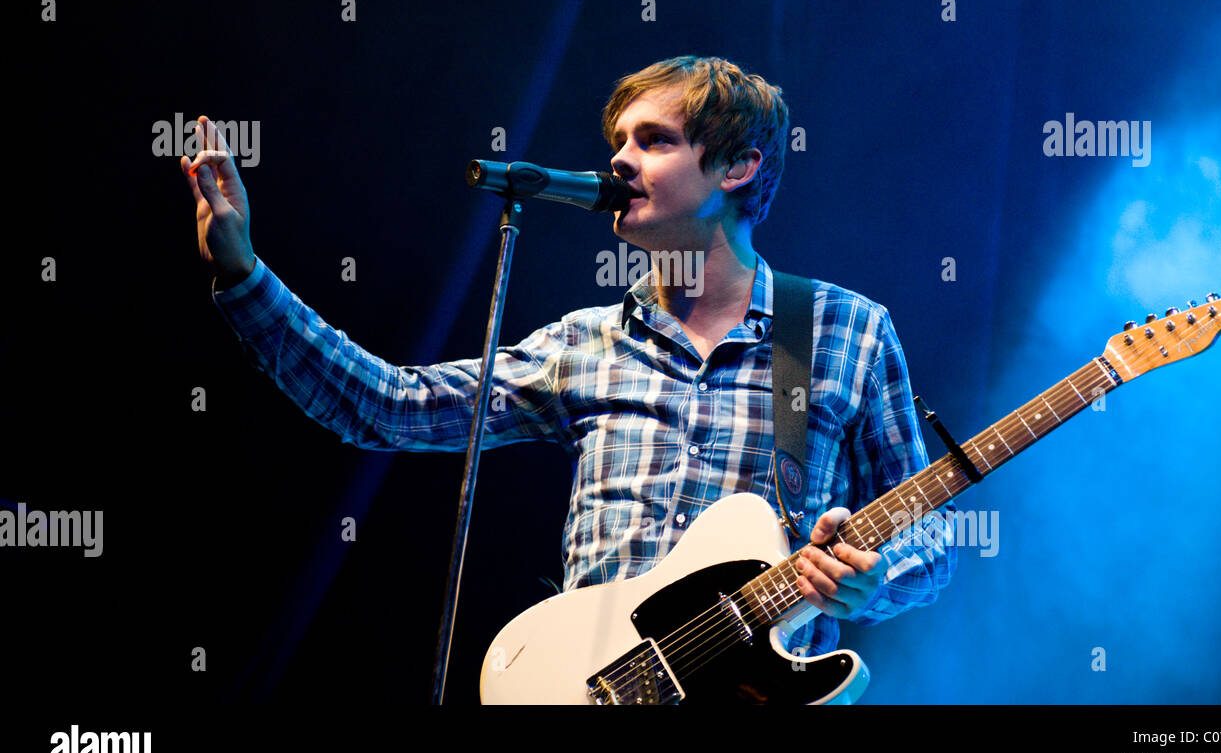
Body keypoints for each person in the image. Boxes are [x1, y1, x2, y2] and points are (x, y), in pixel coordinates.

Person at [180, 54, 955, 673]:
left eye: (653, 140)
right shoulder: (585, 343)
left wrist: (870, 578)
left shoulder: (843, 330)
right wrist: (245, 277)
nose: (619, 160)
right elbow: (388, 405)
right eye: (617, 141)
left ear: (737, 167)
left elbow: (929, 537)